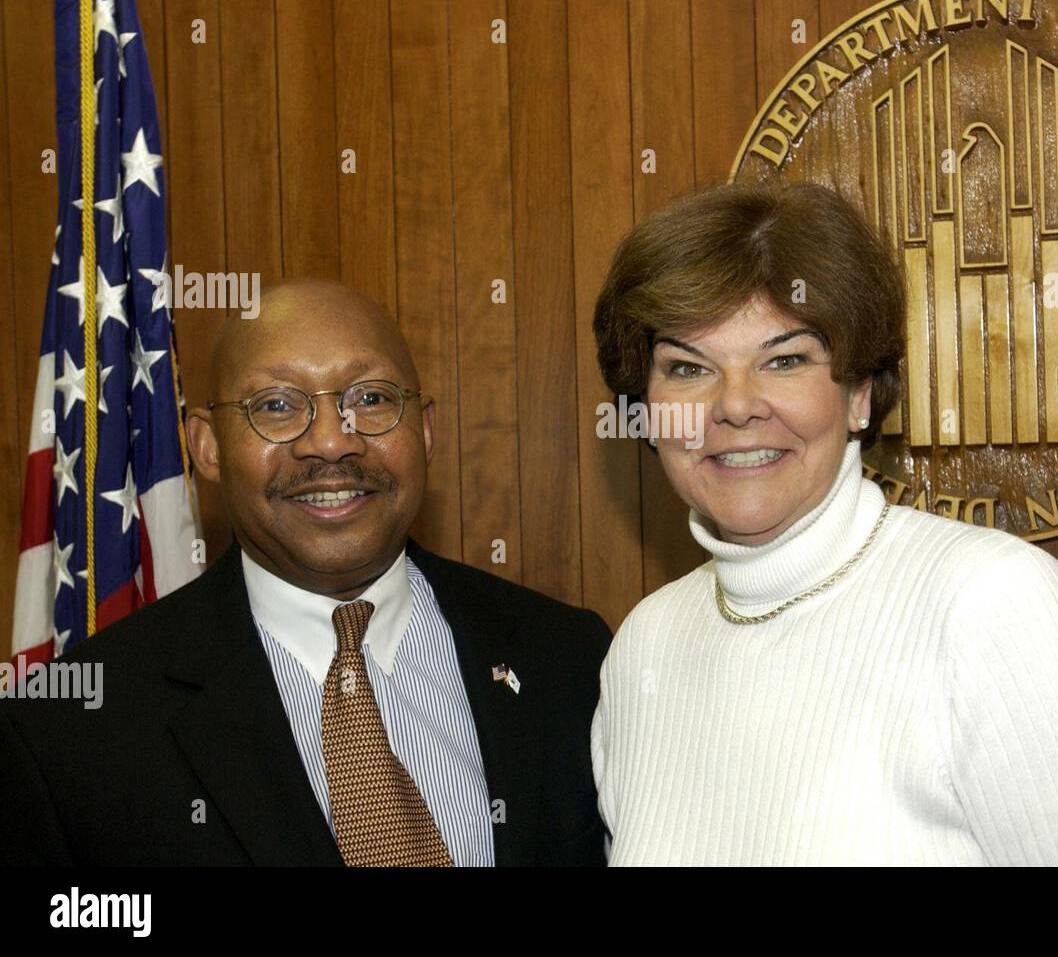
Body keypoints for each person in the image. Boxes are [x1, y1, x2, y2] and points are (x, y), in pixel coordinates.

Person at [589, 182, 1058, 865]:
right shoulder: (643, 647)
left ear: (858, 392)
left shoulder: (991, 607)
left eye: (785, 359)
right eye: (687, 368)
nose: (734, 405)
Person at [0, 278, 610, 866]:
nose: (330, 442)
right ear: (206, 447)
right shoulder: (69, 732)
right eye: (277, 406)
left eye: (370, 399)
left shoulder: (572, 662)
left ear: (424, 430)